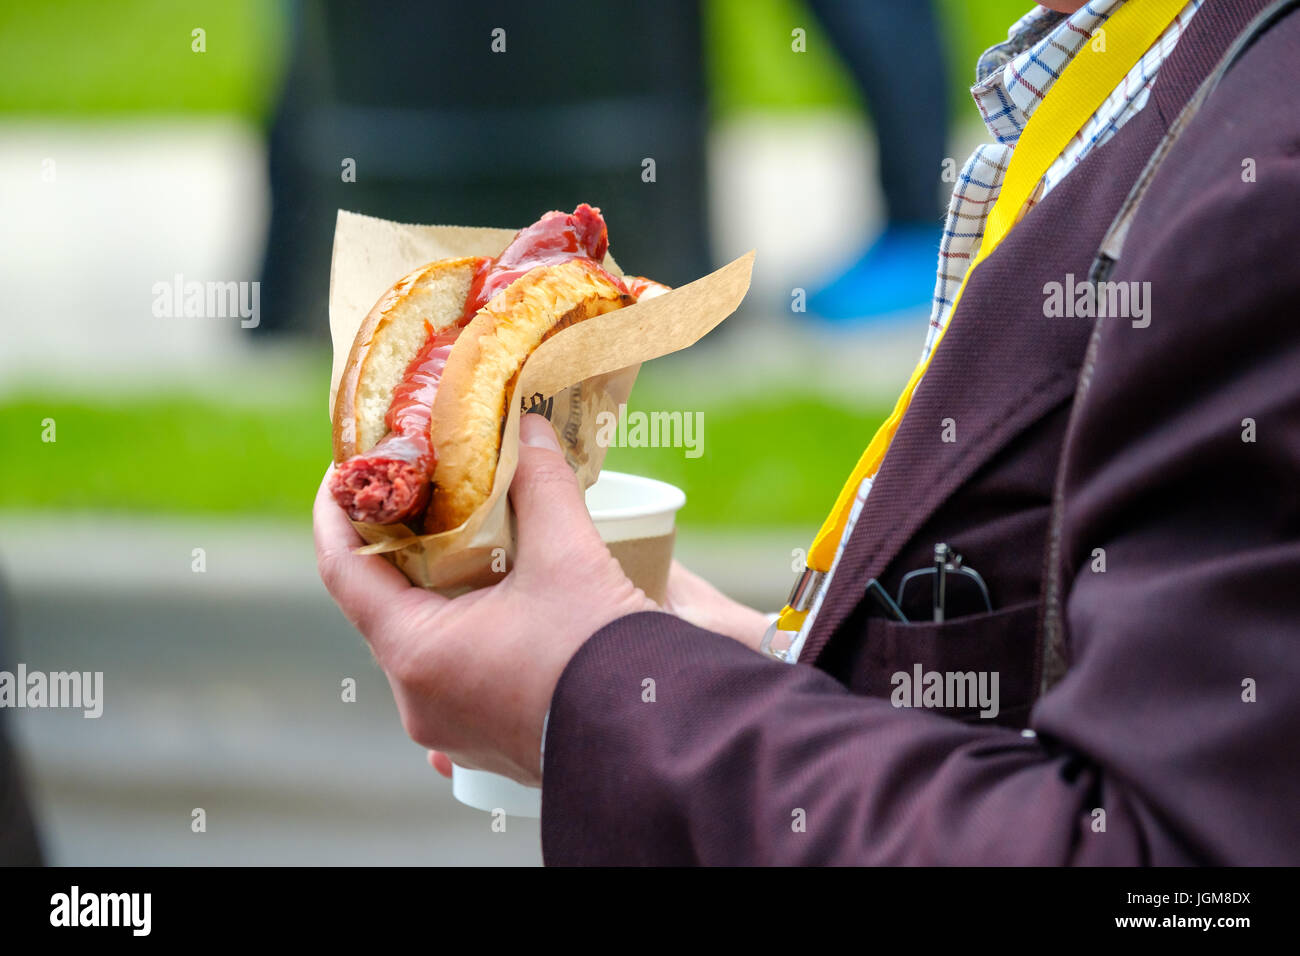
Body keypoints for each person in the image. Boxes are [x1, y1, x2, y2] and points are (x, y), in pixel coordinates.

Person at [315, 0, 1300, 865]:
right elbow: (1076, 676)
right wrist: (758, 660)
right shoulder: (1151, 57)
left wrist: (603, 689)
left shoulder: (1266, 166)